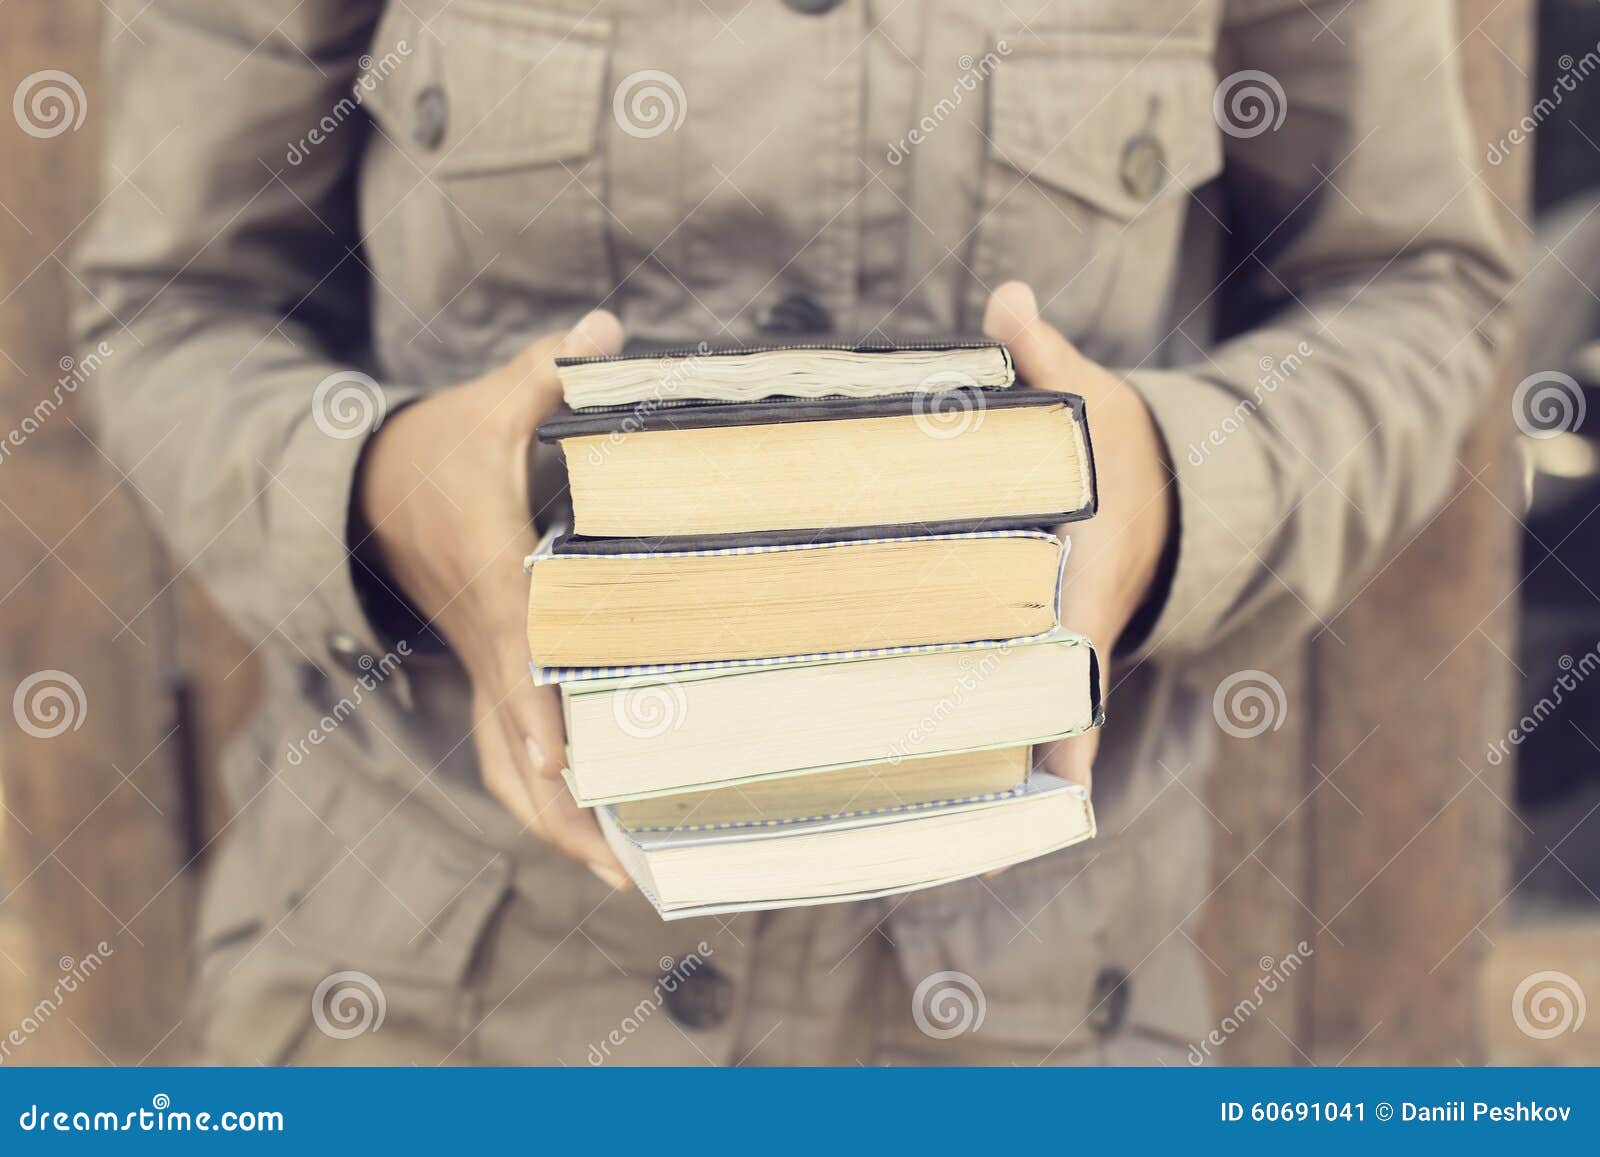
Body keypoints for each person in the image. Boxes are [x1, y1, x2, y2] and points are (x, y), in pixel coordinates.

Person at [73, 0, 1514, 1064]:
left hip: (1027, 1019)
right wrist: (383, 493)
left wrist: (1177, 487)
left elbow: (1407, 283)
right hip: (421, 1006)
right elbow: (173, 303)